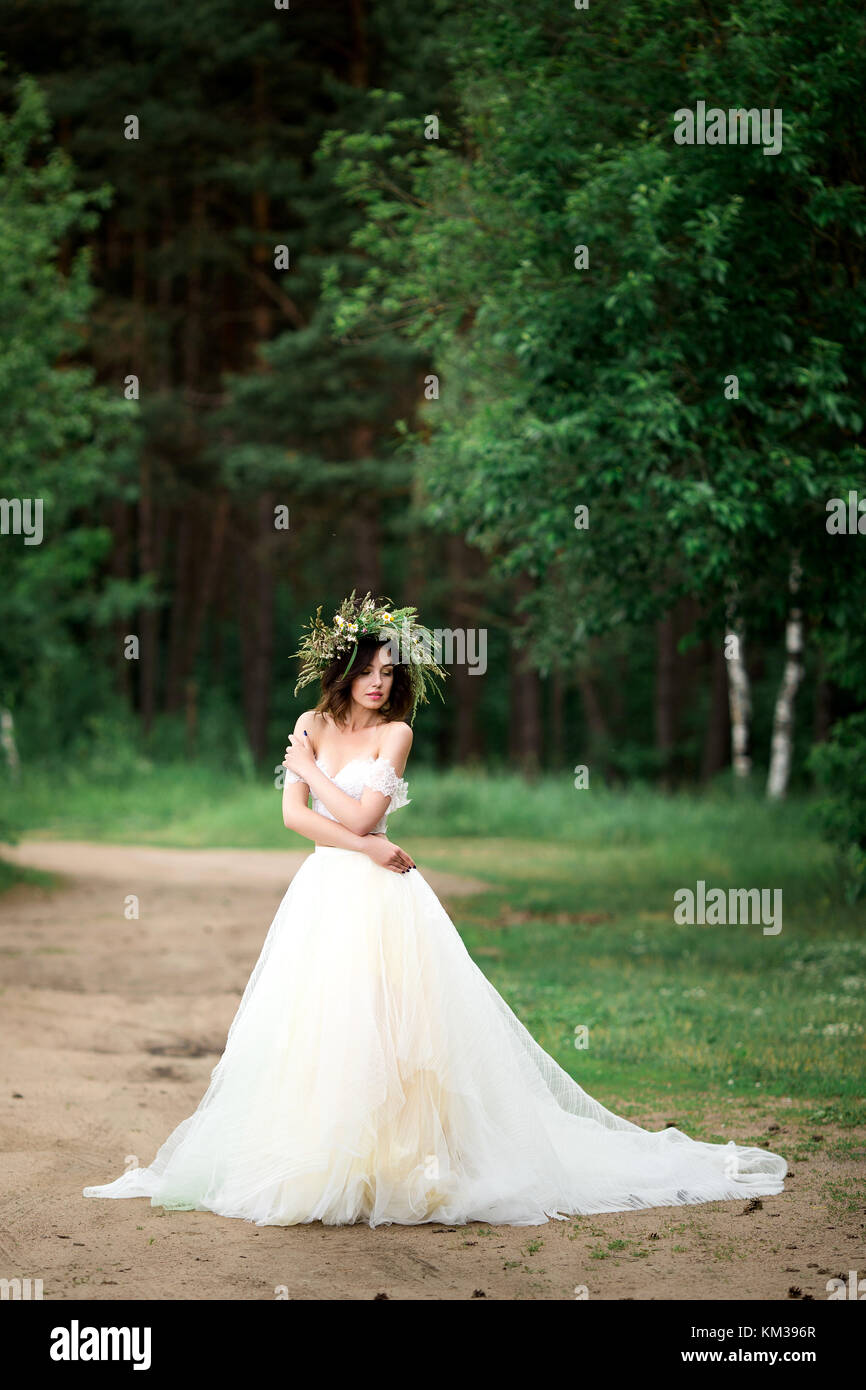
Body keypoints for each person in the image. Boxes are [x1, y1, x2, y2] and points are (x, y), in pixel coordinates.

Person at [83, 591, 786, 1227]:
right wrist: (353, 832)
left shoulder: (396, 734)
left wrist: (316, 782)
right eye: (368, 669)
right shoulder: (311, 722)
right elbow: (297, 821)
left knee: (401, 1033)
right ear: (343, 668)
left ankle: (408, 1163)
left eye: (390, 672)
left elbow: (361, 812)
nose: (379, 682)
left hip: (386, 898)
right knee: (322, 1025)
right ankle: (326, 1160)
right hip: (329, 891)